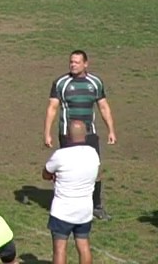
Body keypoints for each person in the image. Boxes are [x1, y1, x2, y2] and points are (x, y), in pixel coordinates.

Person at [45, 50, 115, 221]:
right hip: (67, 134)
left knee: (95, 169)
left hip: (89, 134)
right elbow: (52, 108)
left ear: (86, 64)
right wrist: (47, 133)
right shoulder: (61, 83)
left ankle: (96, 206)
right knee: (67, 169)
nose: (73, 65)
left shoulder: (95, 83)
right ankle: (65, 204)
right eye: (71, 62)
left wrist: (111, 130)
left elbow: (103, 107)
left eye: (77, 62)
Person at [43, 119, 101, 264]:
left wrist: (54, 176)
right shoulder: (93, 153)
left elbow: (45, 173)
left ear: (68, 135)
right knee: (84, 246)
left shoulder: (60, 155)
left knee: (60, 249)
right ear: (85, 135)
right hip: (85, 210)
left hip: (63, 210)